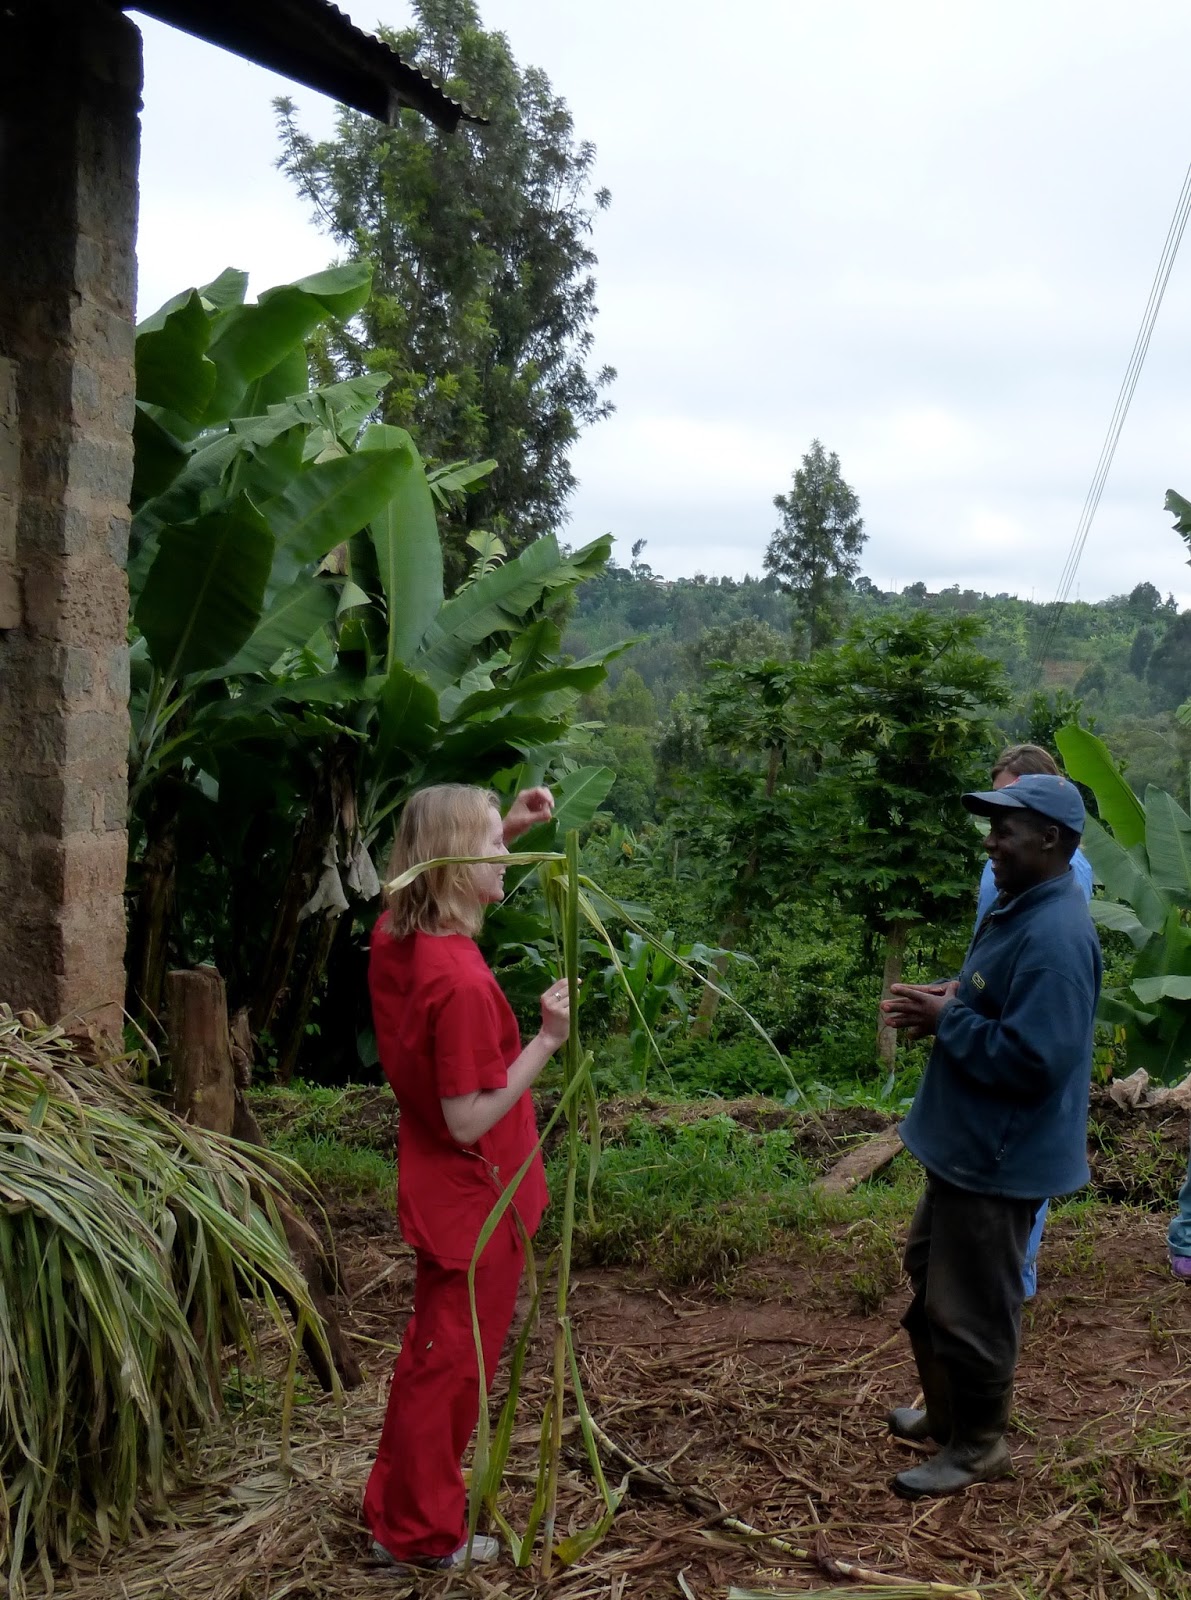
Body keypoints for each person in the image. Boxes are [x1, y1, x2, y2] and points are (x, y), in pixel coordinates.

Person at [362, 783, 570, 1571]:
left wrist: (502, 823)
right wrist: (546, 1041)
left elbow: (421, 877)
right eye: (494, 845)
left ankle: (398, 1513)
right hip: (474, 1199)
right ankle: (418, 1533)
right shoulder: (459, 982)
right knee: (450, 1369)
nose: (510, 857)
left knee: (432, 1357)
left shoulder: (399, 934)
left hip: (443, 1192)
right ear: (451, 867)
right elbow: (466, 1120)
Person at [880, 774, 1100, 1499]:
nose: (991, 839)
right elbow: (994, 993)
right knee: (928, 1272)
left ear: (1051, 839)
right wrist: (953, 993)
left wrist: (950, 1024)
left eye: (1005, 829)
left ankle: (978, 1445)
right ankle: (946, 1416)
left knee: (972, 1303)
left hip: (999, 1154)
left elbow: (1037, 1059)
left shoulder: (1056, 938)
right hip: (966, 1144)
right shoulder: (1021, 905)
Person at [976, 745, 1094, 1299]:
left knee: (1014, 1174)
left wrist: (955, 1014)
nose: (991, 839)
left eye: (1004, 816)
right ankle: (1015, 1275)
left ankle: (1012, 1279)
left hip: (1007, 1053)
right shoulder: (1075, 872)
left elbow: (997, 958)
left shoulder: (1050, 923)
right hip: (1013, 1041)